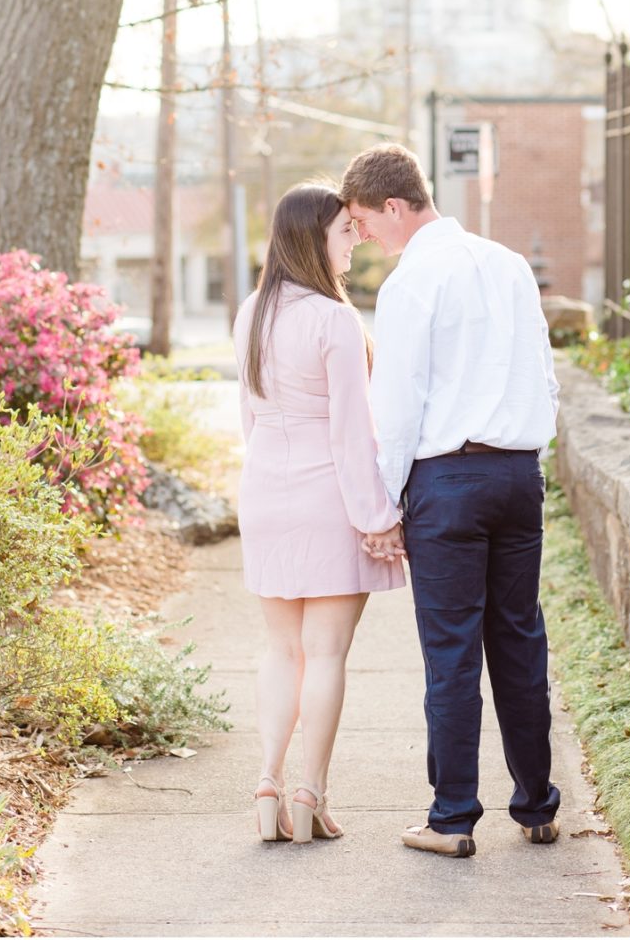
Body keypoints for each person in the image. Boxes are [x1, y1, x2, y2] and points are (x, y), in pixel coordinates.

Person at [340, 142, 561, 859]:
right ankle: (535, 807)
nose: (365, 236)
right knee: (518, 640)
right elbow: (543, 373)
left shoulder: (410, 283)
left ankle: (451, 818)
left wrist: (383, 504)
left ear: (396, 206)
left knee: (452, 653)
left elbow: (398, 405)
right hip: (516, 474)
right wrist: (529, 452)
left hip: (446, 481)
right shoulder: (509, 266)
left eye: (367, 222)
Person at [234, 183, 405, 844]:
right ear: (311, 238)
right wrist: (376, 517)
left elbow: (247, 417)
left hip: (266, 494)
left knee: (281, 651)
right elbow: (349, 431)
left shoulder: (251, 311)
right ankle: (309, 792)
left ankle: (268, 782)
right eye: (342, 233)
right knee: (325, 652)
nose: (353, 241)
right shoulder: (333, 319)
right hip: (327, 498)